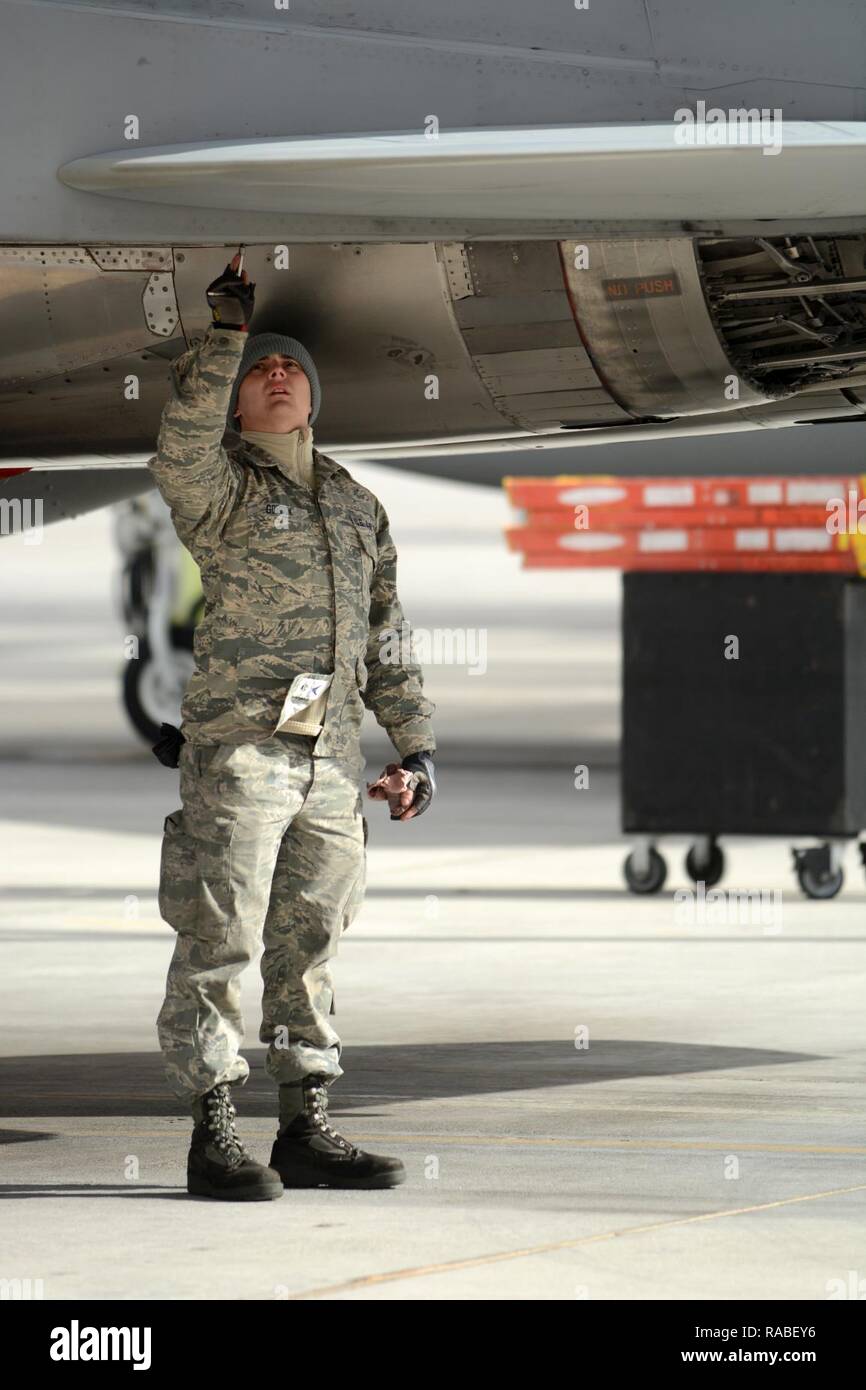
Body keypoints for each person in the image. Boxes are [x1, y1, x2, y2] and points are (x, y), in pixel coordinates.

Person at [148, 254, 437, 1200]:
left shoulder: (357, 506)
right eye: (260, 372)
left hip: (331, 763)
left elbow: (387, 635)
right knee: (219, 938)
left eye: (293, 368)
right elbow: (177, 448)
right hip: (241, 755)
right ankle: (212, 1132)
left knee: (310, 942)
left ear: (315, 397)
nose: (279, 376)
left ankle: (306, 1126)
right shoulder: (222, 493)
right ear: (236, 404)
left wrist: (416, 748)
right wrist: (227, 333)